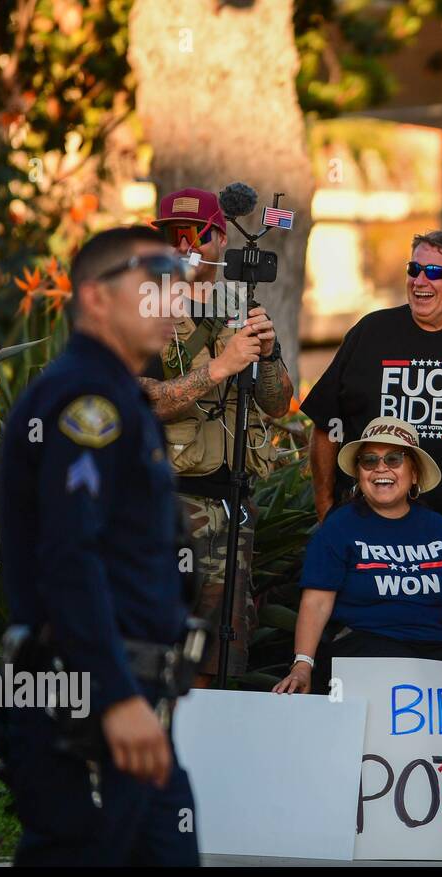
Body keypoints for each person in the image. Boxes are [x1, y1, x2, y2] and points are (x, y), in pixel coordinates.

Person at [0, 226, 200, 865]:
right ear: (95, 298)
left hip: (125, 699)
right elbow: (69, 555)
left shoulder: (118, 397)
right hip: (86, 707)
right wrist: (112, 697)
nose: (175, 305)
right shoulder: (85, 400)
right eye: (153, 287)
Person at [300, 230, 442, 601]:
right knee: (367, 638)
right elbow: (326, 424)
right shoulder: (370, 333)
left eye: (435, 272)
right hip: (369, 529)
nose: (420, 281)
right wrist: (326, 507)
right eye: (414, 269)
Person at [140, 187, 294, 687]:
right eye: (170, 235)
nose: (184, 245)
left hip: (232, 507)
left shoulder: (235, 304)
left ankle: (205, 756)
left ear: (220, 238)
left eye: (197, 235)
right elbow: (144, 401)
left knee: (221, 648)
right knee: (160, 640)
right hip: (168, 506)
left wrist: (266, 353)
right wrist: (219, 368)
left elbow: (276, 403)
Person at [272, 417, 442, 693]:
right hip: (363, 651)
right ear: (359, 473)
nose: (381, 468)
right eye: (369, 460)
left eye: (394, 459)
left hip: (435, 655)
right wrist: (302, 665)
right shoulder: (339, 528)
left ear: (414, 473)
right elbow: (317, 602)